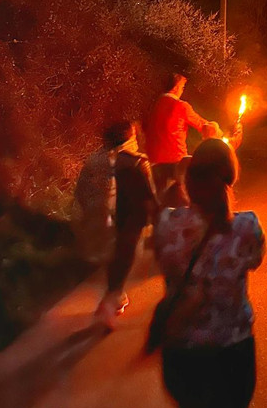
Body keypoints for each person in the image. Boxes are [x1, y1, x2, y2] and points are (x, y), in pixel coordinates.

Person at [155, 138, 265, 408]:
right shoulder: (246, 227)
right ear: (229, 177)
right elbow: (254, 260)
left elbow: (165, 264)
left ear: (188, 179)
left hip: (181, 356)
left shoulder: (166, 224)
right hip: (232, 353)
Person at [95, 121, 159, 326]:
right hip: (130, 222)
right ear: (129, 138)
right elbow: (149, 197)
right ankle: (110, 304)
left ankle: (114, 297)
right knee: (125, 259)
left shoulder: (96, 161)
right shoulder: (136, 162)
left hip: (101, 222)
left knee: (114, 259)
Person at [146, 72, 211, 201]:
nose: (182, 91)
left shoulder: (153, 105)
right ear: (175, 87)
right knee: (184, 197)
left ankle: (161, 220)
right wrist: (215, 130)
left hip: (154, 160)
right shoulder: (180, 106)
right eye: (182, 87)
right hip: (176, 159)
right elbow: (203, 126)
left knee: (160, 199)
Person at [73, 131, 118, 263]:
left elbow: (81, 184)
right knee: (105, 232)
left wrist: (83, 201)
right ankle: (102, 260)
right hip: (105, 204)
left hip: (91, 202)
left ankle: (92, 259)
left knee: (94, 232)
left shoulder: (92, 158)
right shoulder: (114, 159)